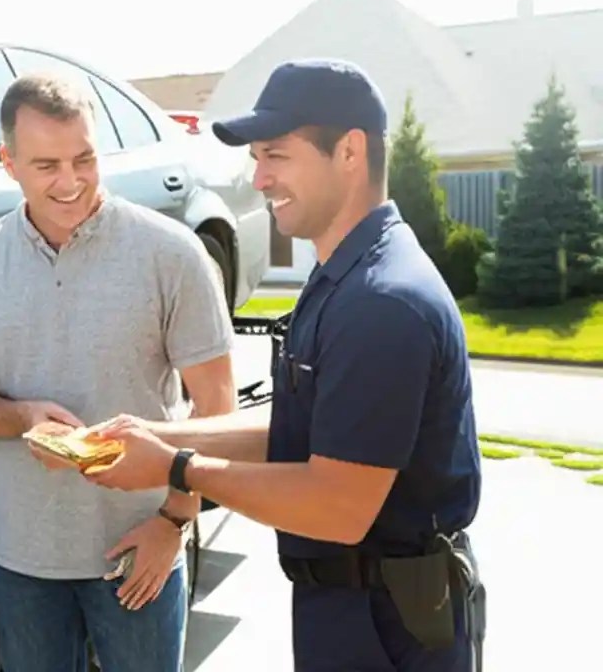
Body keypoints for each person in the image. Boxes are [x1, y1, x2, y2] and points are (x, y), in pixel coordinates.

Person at [81, 59, 486, 672]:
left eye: (276, 155)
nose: (259, 178)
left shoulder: (381, 301)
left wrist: (175, 467)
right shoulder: (344, 277)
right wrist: (152, 434)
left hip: (390, 626)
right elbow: (306, 434)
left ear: (349, 151)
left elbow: (337, 505)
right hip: (353, 608)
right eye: (257, 158)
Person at [0, 71, 238, 672]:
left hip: (140, 547)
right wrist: (23, 417)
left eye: (84, 158)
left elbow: (218, 412)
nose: (71, 181)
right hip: (21, 558)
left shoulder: (171, 253)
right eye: (46, 165)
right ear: (9, 164)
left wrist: (175, 522)